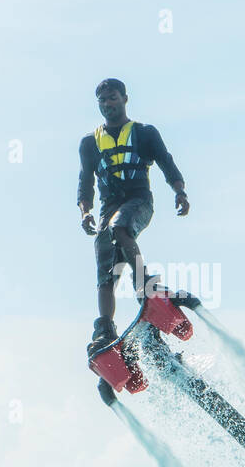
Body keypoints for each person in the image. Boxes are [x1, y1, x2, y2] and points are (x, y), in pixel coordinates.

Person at [77, 78, 190, 355]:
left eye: (113, 98)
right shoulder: (90, 143)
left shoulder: (144, 133)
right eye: (102, 101)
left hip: (139, 202)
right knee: (105, 267)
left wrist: (180, 191)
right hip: (108, 207)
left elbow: (166, 161)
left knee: (120, 227)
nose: (107, 104)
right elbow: (85, 181)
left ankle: (145, 287)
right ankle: (105, 328)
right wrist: (85, 211)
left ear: (125, 99)